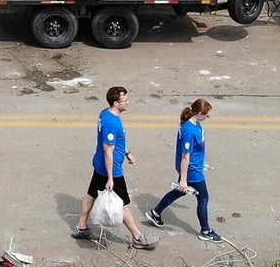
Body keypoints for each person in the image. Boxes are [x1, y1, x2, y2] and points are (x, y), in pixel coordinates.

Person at [71, 86, 158, 249]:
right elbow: (108, 150)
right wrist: (111, 178)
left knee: (91, 195)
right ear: (116, 103)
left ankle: (81, 227)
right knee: (123, 203)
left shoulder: (106, 114)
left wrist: (127, 153)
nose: (128, 102)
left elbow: (118, 142)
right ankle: (138, 238)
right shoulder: (112, 123)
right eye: (125, 100)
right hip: (110, 170)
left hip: (99, 165)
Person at [146, 98, 224, 243]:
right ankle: (205, 230)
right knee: (203, 198)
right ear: (199, 113)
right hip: (192, 171)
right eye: (207, 115)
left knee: (179, 192)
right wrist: (183, 179)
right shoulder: (190, 130)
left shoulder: (194, 124)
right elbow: (185, 157)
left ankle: (155, 213)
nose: (208, 117)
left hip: (194, 167)